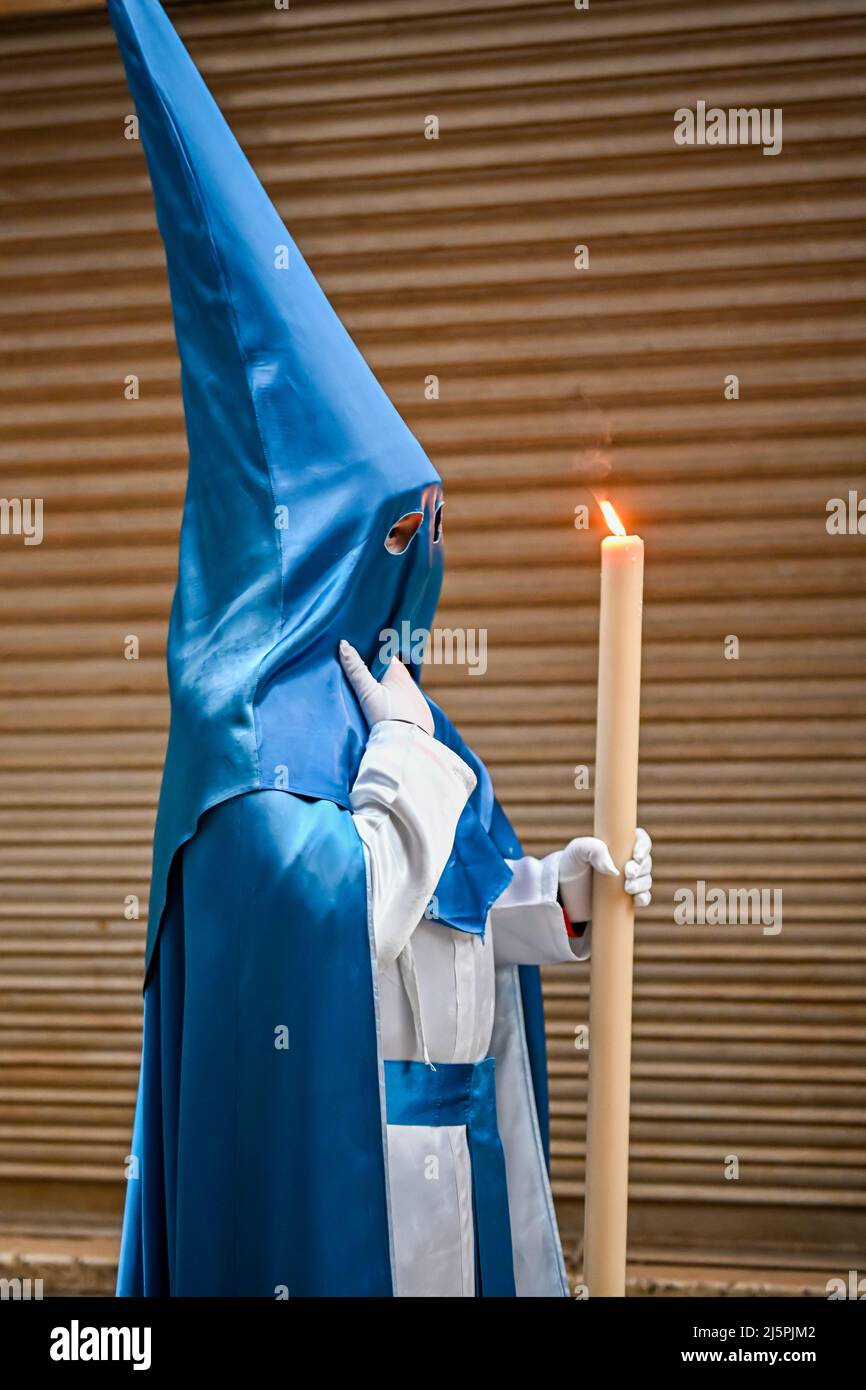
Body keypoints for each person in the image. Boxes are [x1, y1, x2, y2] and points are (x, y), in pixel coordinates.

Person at [110, 0, 652, 1298]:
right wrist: (405, 767)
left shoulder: (398, 710)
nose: (410, 561)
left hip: (456, 1182)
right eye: (390, 532)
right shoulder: (242, 747)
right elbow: (329, 923)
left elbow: (457, 917)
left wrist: (558, 891)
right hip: (335, 1186)